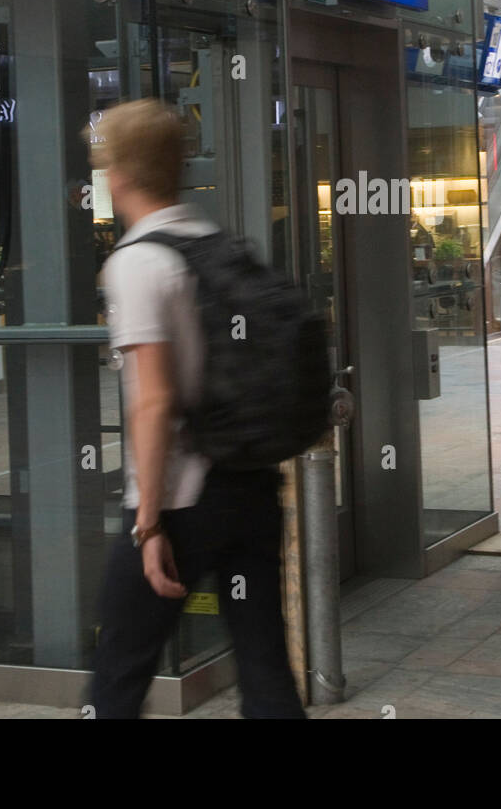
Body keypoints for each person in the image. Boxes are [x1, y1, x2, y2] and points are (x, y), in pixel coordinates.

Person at [88, 100, 304, 720]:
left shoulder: (136, 262)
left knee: (119, 674)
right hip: (252, 485)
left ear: (119, 175)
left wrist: (149, 525)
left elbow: (154, 401)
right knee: (265, 668)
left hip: (181, 502)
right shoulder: (215, 241)